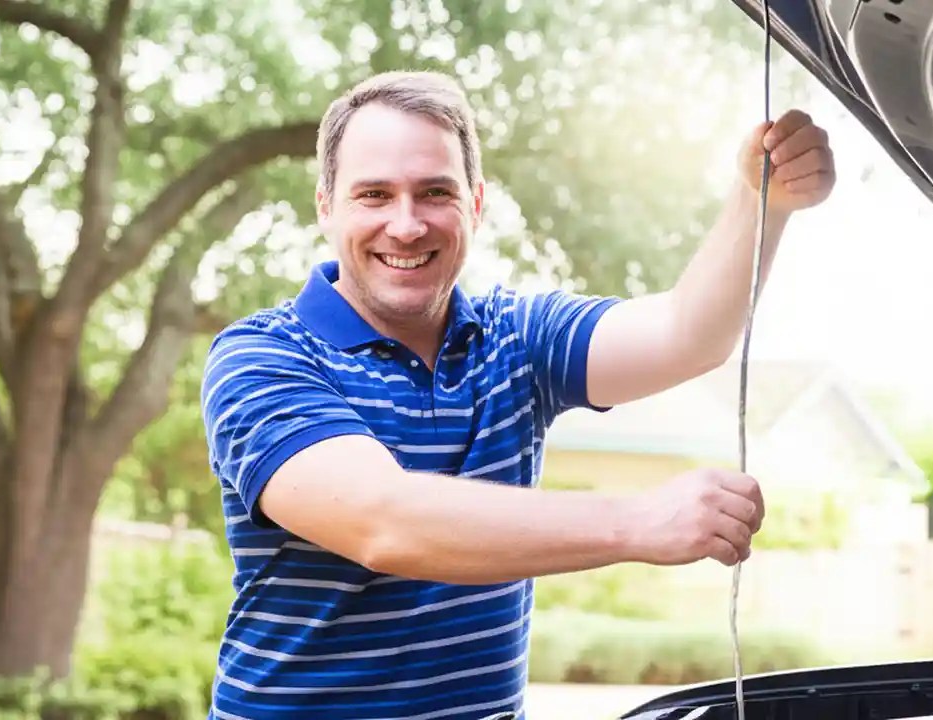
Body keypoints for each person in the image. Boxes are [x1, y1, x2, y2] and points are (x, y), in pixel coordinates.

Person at [200, 70, 835, 720]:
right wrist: (639, 523)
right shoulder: (264, 357)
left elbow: (685, 335)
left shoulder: (517, 339)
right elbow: (383, 521)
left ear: (474, 206)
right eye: (374, 195)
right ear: (325, 208)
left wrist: (762, 201)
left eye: (434, 193)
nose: (407, 224)